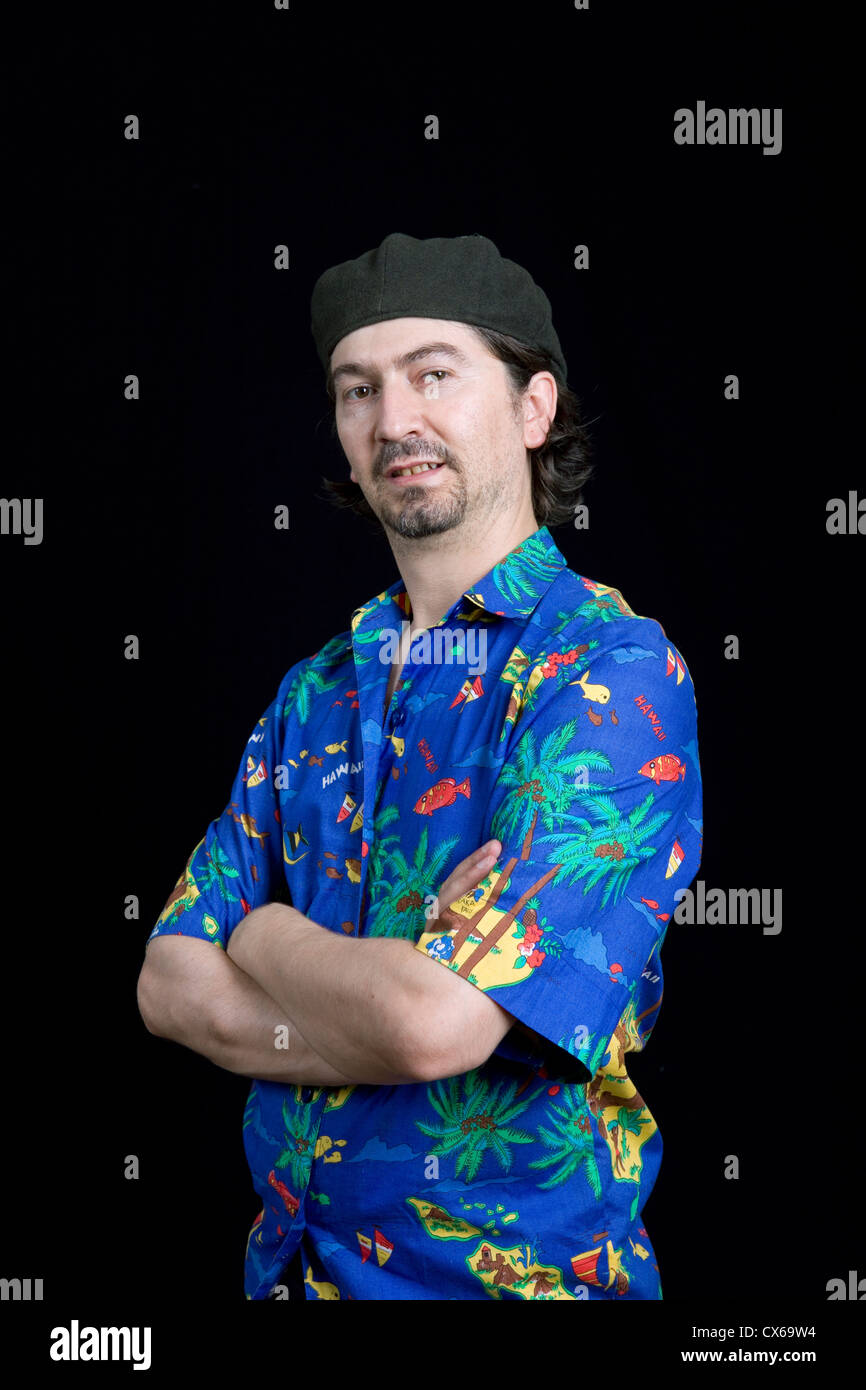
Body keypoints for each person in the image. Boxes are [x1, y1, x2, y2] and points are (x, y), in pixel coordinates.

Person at [137, 232, 703, 1301]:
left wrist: (262, 934)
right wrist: (391, 991)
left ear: (533, 409)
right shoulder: (313, 691)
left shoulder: (611, 668)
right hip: (287, 1280)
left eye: (433, 373)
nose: (394, 419)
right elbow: (166, 985)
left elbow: (432, 1024)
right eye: (358, 390)